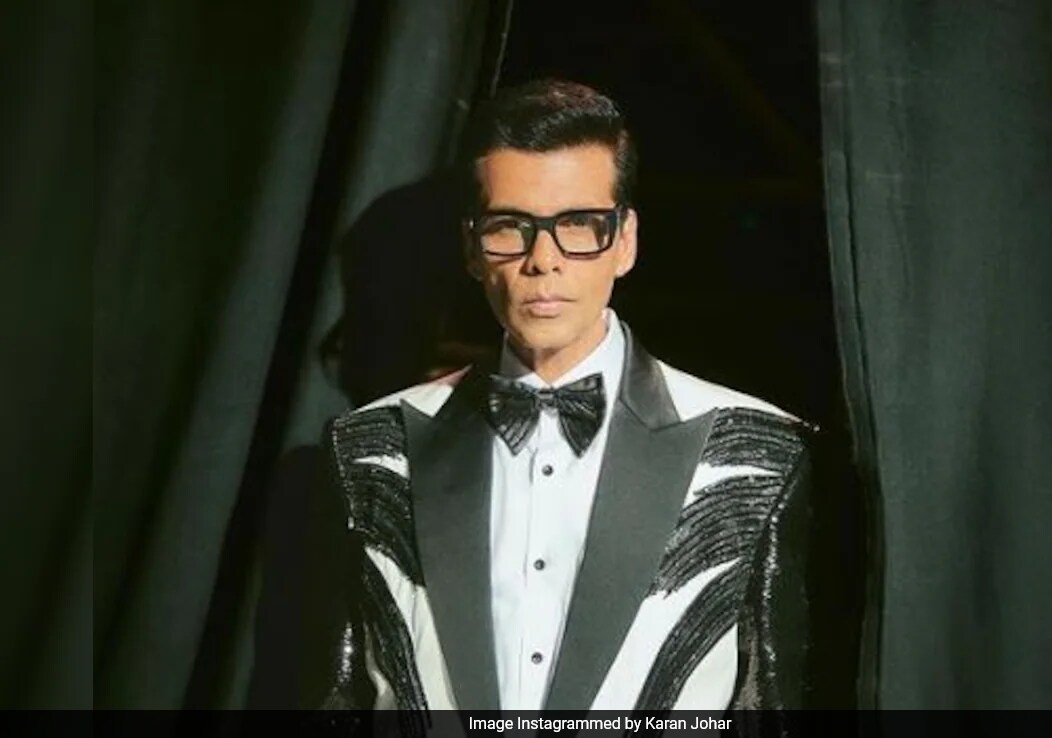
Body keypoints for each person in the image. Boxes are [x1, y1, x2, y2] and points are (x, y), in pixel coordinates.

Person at [319, 79, 816, 717]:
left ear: (625, 240)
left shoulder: (753, 452)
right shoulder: (372, 448)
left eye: (578, 225)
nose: (543, 259)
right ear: (472, 247)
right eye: (510, 227)